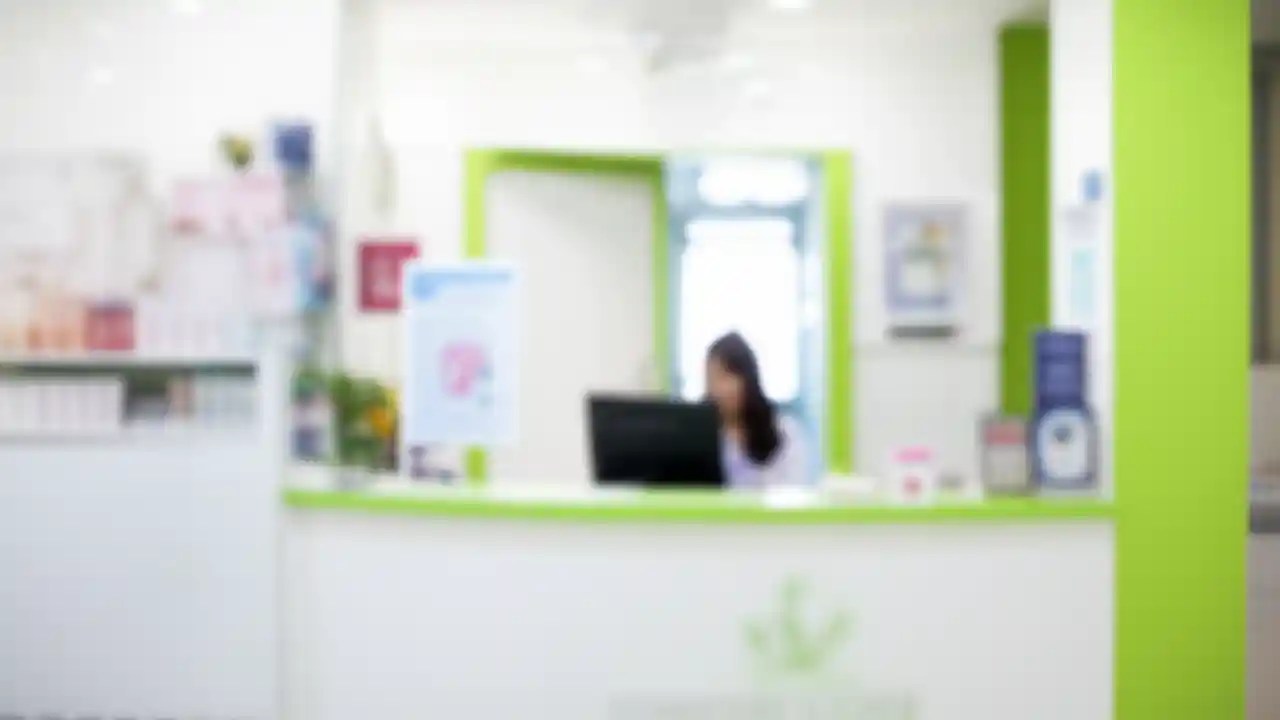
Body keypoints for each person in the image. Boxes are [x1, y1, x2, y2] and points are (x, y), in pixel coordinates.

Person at [704, 332, 807, 489]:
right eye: (713, 378)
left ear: (748, 378)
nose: (720, 388)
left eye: (727, 376)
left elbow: (794, 489)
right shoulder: (702, 434)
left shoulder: (784, 430)